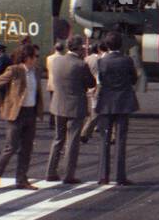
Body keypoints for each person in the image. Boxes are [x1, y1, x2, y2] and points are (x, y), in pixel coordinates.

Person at [0, 44, 45, 189]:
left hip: (30, 112)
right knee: (11, 146)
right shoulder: (14, 70)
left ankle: (21, 179)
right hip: (16, 113)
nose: (37, 59)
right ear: (27, 57)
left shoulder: (36, 71)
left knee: (27, 148)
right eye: (35, 56)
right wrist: (0, 104)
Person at [46, 36, 95, 182]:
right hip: (75, 106)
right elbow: (91, 83)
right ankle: (68, 174)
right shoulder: (80, 64)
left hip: (58, 105)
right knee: (72, 141)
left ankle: (51, 171)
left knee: (58, 139)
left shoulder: (56, 61)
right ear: (79, 48)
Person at [94, 32, 140, 184]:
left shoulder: (102, 61)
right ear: (120, 45)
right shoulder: (127, 60)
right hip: (123, 103)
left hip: (106, 103)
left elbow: (100, 79)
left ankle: (103, 176)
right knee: (120, 140)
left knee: (104, 140)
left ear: (106, 45)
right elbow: (134, 79)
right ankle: (120, 176)